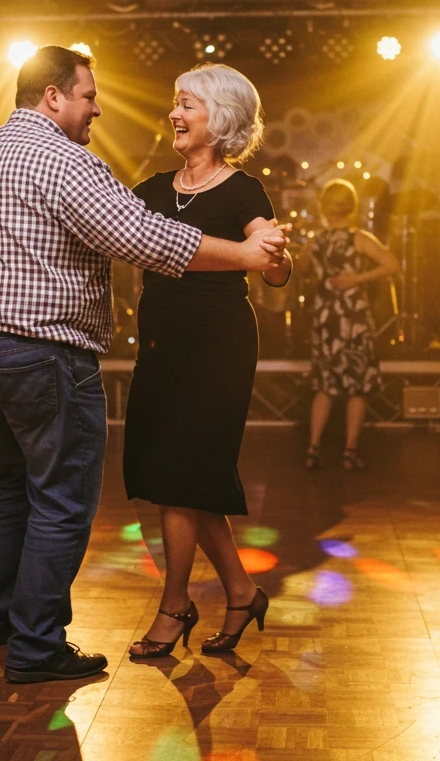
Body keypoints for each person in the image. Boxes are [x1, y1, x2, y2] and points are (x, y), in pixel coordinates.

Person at [0, 46, 287, 684]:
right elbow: (139, 236)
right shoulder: (65, 161)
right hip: (40, 351)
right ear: (53, 96)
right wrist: (244, 255)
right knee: (63, 499)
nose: (97, 108)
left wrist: (267, 256)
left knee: (9, 482)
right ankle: (36, 645)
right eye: (89, 96)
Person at [123, 63, 292, 660]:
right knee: (184, 481)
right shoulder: (151, 189)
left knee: (179, 479)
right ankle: (242, 593)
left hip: (217, 350)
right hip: (161, 348)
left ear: (219, 119)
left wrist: (276, 257)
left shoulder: (244, 191)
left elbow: (273, 270)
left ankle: (175, 606)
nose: (174, 113)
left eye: (187, 104)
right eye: (175, 102)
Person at [301, 178, 401, 472]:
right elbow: (392, 264)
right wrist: (357, 280)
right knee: (357, 386)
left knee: (324, 384)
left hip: (325, 316)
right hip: (353, 316)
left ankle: (313, 449)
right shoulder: (359, 238)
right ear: (352, 207)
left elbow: (301, 269)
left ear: (324, 207)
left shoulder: (315, 241)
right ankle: (349, 453)